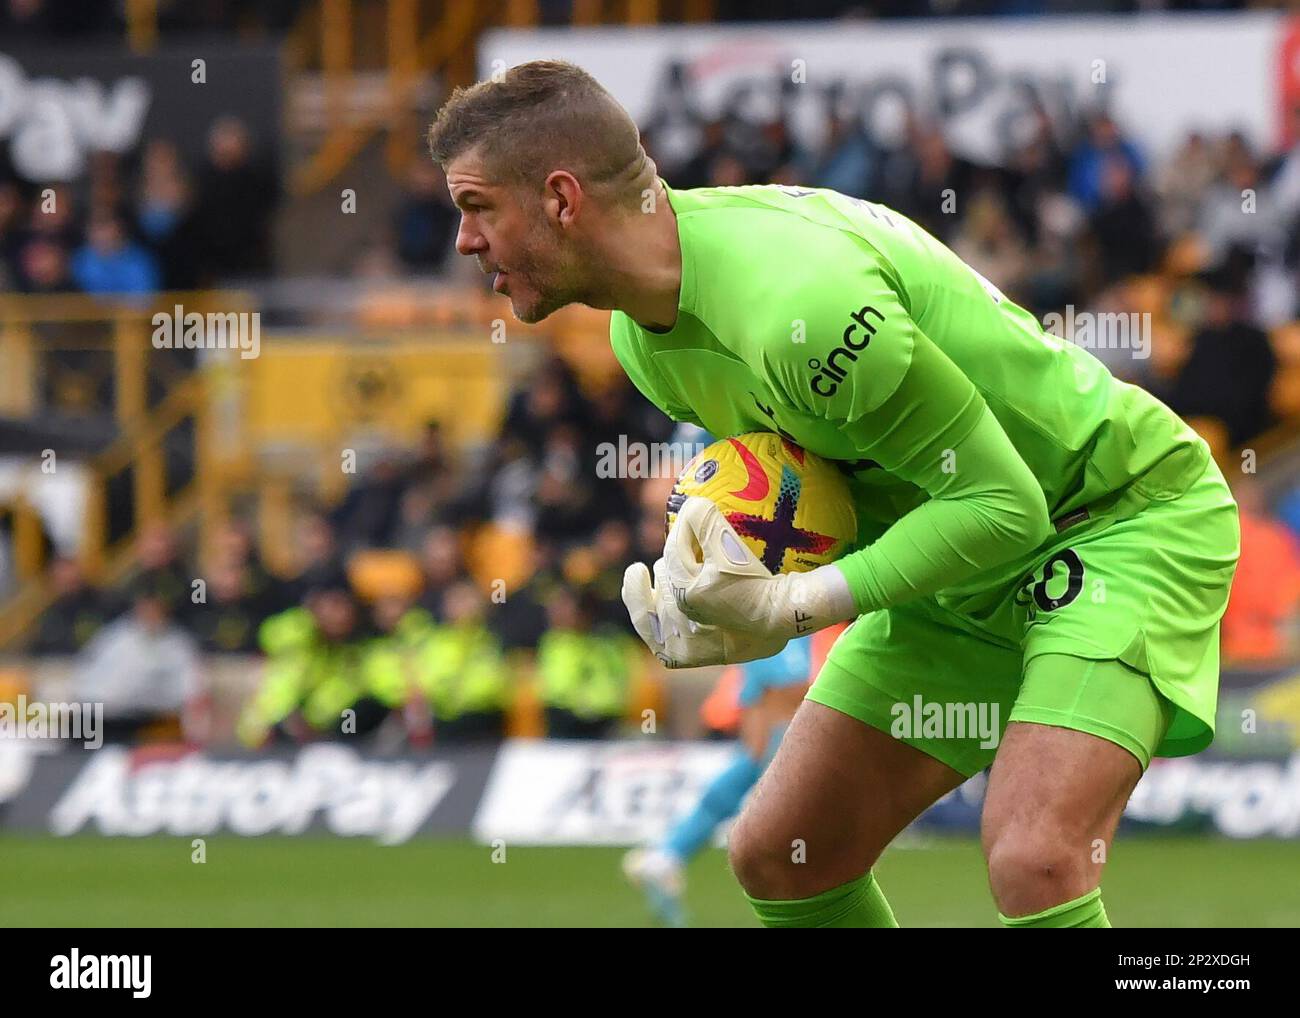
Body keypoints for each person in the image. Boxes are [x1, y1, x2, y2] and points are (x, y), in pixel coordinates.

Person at [426, 61, 1240, 929]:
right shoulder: (641, 339)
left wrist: (796, 604)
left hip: (1117, 520)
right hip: (961, 560)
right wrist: (721, 589)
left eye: (477, 208)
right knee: (780, 853)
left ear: (560, 198)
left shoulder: (799, 309)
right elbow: (828, 494)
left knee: (1035, 857)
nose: (465, 242)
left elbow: (1005, 508)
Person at [623, 633, 819, 927]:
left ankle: (667, 855)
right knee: (776, 772)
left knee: (753, 762)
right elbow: (789, 685)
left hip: (773, 659)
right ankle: (668, 855)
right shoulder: (787, 627)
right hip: (780, 650)